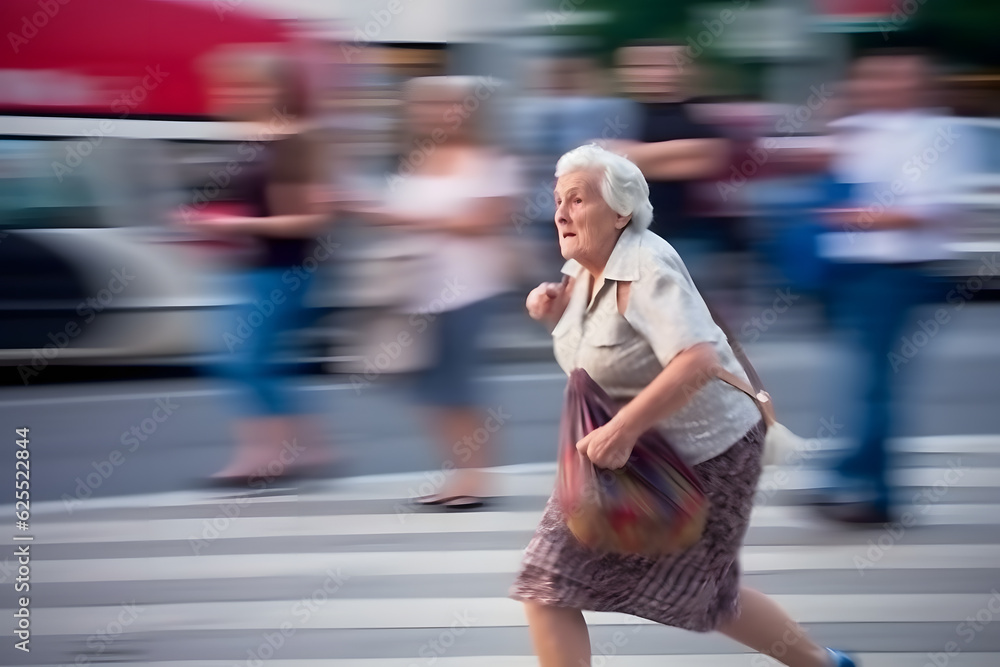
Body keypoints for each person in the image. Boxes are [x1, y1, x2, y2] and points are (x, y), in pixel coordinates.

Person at [509, 144, 855, 667]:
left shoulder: (647, 266)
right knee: (547, 585)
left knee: (709, 595)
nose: (560, 212)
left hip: (707, 456)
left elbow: (695, 361)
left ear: (621, 210)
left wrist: (623, 428)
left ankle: (824, 663)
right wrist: (554, 311)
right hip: (626, 454)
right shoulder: (583, 264)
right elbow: (608, 346)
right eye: (557, 199)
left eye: (577, 200)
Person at [345, 76, 521, 508]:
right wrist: (372, 212)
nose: (436, 114)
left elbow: (484, 222)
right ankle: (457, 476)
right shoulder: (417, 160)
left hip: (469, 288)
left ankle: (476, 479)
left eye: (449, 105)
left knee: (456, 385)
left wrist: (407, 219)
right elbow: (405, 216)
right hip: (416, 290)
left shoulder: (491, 160)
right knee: (428, 389)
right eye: (427, 106)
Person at [809, 50, 965, 523]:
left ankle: (867, 488)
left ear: (919, 82)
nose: (880, 84)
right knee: (863, 381)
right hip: (848, 274)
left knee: (873, 383)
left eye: (895, 76)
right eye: (871, 76)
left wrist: (853, 217)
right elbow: (825, 173)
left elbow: (929, 208)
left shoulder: (933, 134)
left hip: (895, 273)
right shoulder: (860, 128)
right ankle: (856, 478)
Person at [187, 44, 337, 486]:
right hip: (252, 270)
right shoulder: (252, 137)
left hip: (284, 272)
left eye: (247, 84)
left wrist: (238, 224)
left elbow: (312, 218)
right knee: (259, 362)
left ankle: (264, 455)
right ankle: (307, 446)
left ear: (278, 88)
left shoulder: (296, 139)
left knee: (243, 362)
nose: (233, 93)